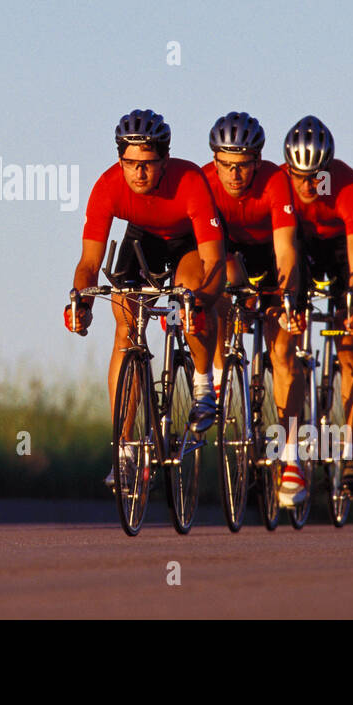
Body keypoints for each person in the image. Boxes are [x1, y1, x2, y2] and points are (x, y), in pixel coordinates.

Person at [66, 109, 225, 489]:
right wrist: (81, 304)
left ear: (165, 160)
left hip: (189, 242)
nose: (139, 173)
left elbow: (214, 261)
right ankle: (124, 450)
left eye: (148, 164)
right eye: (130, 163)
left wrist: (199, 302)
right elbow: (90, 262)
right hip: (144, 241)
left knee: (190, 296)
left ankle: (203, 386)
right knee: (125, 324)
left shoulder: (190, 181)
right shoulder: (107, 186)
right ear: (120, 159)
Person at [200, 112, 305, 506]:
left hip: (270, 258)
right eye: (226, 165)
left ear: (257, 162)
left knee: (282, 353)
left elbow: (286, 250)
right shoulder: (205, 184)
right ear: (214, 161)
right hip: (230, 256)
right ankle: (218, 374)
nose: (234, 175)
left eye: (243, 166)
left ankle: (292, 456)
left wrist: (287, 297)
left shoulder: (276, 181)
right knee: (220, 281)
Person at [281, 115, 353, 494]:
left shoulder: (348, 182)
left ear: (328, 168)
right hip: (300, 248)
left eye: (315, 175)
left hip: (341, 253)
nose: (306, 184)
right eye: (298, 175)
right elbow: (283, 249)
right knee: (287, 335)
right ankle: (287, 449)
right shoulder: (279, 183)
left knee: (350, 348)